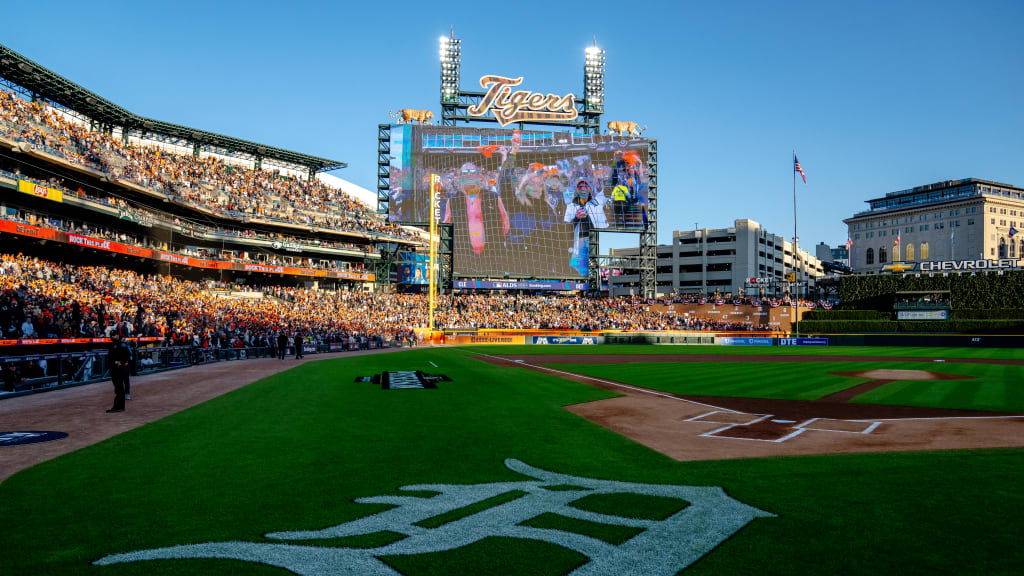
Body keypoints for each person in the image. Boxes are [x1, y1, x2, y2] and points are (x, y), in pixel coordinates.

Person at [107, 333, 132, 413]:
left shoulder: (121, 345)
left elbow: (128, 355)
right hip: (114, 369)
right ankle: (120, 406)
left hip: (119, 368)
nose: (113, 336)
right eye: (112, 335)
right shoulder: (112, 345)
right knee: (118, 387)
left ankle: (118, 406)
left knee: (119, 387)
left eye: (114, 335)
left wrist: (121, 362)